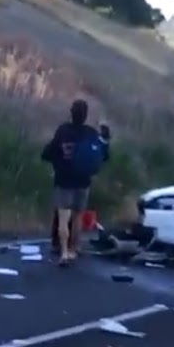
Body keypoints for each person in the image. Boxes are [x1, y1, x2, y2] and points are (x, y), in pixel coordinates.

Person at [41, 98, 110, 263]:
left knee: (63, 218)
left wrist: (55, 161)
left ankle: (63, 252)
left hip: (64, 181)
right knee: (78, 217)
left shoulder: (63, 131)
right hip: (83, 182)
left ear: (71, 113)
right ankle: (74, 249)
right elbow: (103, 156)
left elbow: (48, 152)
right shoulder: (91, 133)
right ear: (85, 116)